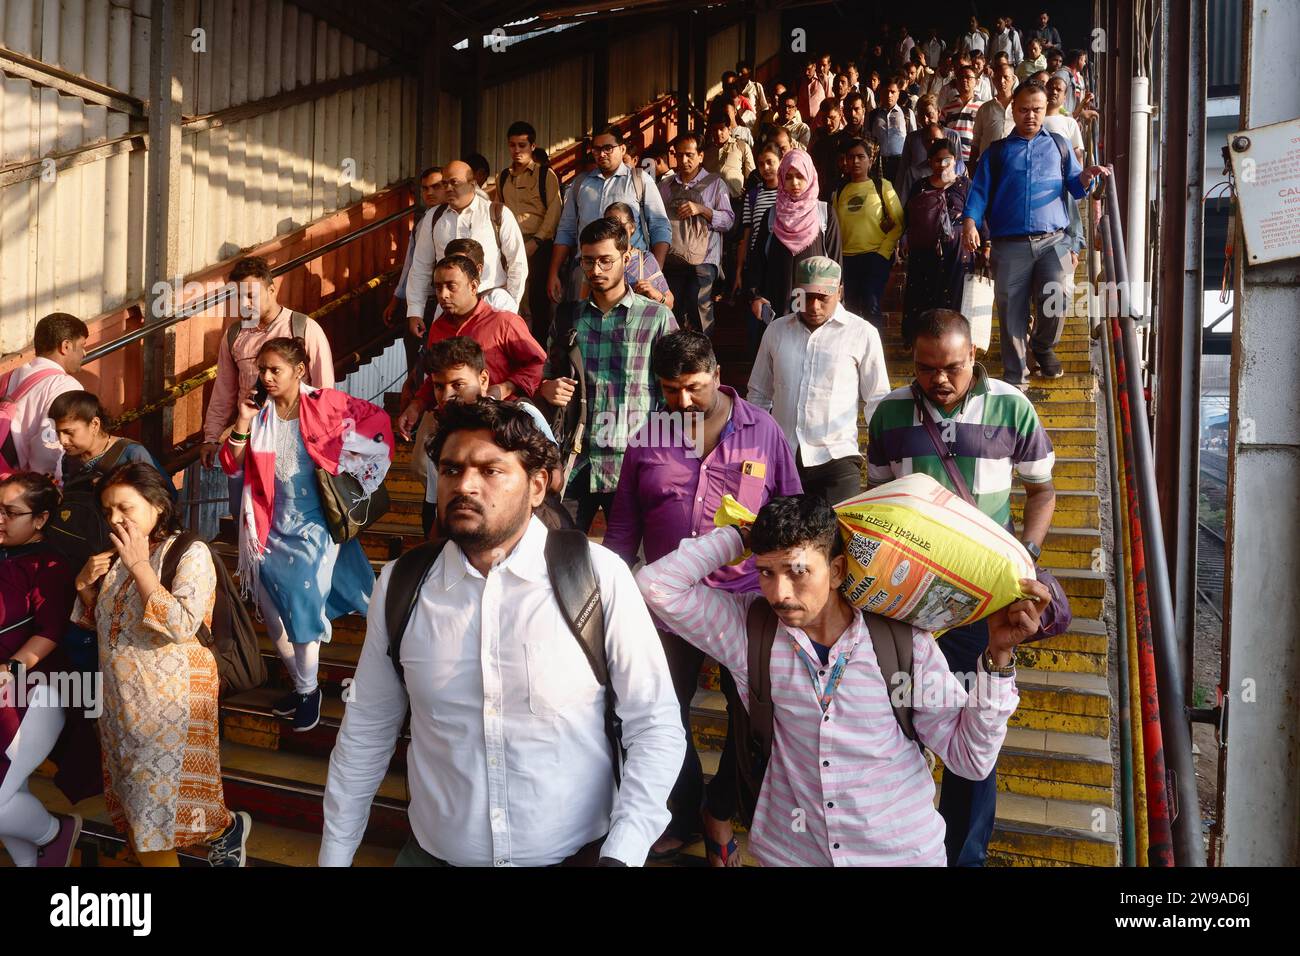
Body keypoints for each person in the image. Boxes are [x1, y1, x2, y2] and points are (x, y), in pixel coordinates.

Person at [320, 399, 684, 867]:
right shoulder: (402, 585)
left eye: (490, 471)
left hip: (578, 855)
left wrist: (623, 852)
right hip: (435, 855)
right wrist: (334, 855)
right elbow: (367, 729)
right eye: (452, 469)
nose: (465, 485)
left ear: (536, 487)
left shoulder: (597, 577)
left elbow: (655, 725)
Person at [635, 493, 1051, 866]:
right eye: (765, 572)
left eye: (797, 572)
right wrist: (740, 535)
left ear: (836, 570)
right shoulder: (748, 632)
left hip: (900, 855)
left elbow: (970, 759)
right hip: (791, 852)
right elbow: (656, 587)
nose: (779, 592)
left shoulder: (902, 643)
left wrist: (998, 656)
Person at [867, 308, 1057, 865]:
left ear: (974, 354)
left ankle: (964, 855)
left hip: (982, 607)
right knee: (900, 720)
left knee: (976, 727)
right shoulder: (889, 414)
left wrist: (1028, 556)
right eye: (926, 369)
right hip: (905, 605)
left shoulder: (1012, 408)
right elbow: (880, 498)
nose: (939, 380)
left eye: (951, 367)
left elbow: (1042, 492)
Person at [603, 331, 800, 866]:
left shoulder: (765, 432)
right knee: (654, 714)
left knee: (754, 722)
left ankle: (719, 810)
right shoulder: (650, 437)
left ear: (716, 371)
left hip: (748, 603)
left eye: (693, 386)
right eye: (670, 390)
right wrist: (610, 595)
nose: (683, 401)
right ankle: (682, 812)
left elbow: (794, 514)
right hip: (667, 606)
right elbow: (623, 524)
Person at [73, 463, 252, 866]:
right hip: (121, 704)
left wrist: (139, 567)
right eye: (108, 512)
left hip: (170, 703)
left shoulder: (191, 552)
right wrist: (85, 589)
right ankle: (228, 829)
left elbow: (180, 624)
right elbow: (106, 625)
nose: (115, 520)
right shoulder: (115, 559)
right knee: (141, 807)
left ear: (156, 505)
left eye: (125, 508)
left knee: (152, 814)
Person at [220, 337, 392, 733]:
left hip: (315, 522)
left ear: (299, 371)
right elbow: (231, 463)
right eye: (261, 369)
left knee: (303, 601)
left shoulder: (326, 404)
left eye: (273, 370)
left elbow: (377, 426)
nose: (265, 377)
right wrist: (243, 421)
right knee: (272, 609)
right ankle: (302, 688)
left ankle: (310, 690)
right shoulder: (258, 413)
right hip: (265, 524)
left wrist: (345, 465)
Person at [962, 81, 1108, 387]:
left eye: (1037, 109)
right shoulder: (997, 152)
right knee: (1011, 311)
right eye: (1024, 109)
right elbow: (978, 193)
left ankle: (1043, 347)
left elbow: (1075, 189)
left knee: (1059, 296)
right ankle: (1016, 377)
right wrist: (970, 223)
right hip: (1009, 245)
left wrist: (1086, 177)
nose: (1031, 115)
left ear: (1045, 110)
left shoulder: (1059, 145)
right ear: (1013, 110)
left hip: (1055, 241)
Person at [538, 218, 677, 533]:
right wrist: (546, 388)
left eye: (605, 260)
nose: (596, 270)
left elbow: (677, 397)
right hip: (575, 460)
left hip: (634, 463)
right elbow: (546, 375)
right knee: (559, 555)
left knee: (630, 566)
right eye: (588, 261)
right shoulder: (566, 317)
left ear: (626, 259)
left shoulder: (657, 318)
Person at [0, 472, 99, 867]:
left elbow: (52, 630)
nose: (0, 520)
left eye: (10, 512)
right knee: (11, 792)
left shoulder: (51, 564)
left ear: (40, 520)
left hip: (38, 689)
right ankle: (41, 857)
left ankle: (54, 833)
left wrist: (10, 668)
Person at [748, 257, 889, 507]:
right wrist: (753, 446)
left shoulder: (862, 333)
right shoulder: (777, 331)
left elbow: (877, 399)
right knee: (781, 543)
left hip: (837, 460)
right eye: (806, 296)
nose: (813, 306)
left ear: (840, 292)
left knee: (834, 542)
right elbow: (759, 394)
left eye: (823, 297)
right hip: (782, 458)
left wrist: (885, 455)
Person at [416, 336, 565, 538]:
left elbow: (555, 480)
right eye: (439, 386)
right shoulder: (441, 436)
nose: (446, 396)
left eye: (458, 385)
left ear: (483, 379)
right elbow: (439, 510)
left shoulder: (522, 416)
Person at [200, 257, 334, 473]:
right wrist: (212, 437)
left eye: (251, 296)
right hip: (248, 444)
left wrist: (324, 444)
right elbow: (223, 392)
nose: (245, 304)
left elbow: (325, 391)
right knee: (245, 506)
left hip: (296, 444)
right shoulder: (234, 336)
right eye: (239, 297)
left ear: (271, 290)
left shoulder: (304, 328)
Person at [396, 254, 547, 441]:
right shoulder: (437, 327)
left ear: (474, 286)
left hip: (501, 425)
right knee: (421, 469)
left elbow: (539, 364)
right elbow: (436, 376)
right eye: (438, 287)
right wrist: (416, 405)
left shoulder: (504, 322)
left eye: (451, 286)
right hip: (451, 425)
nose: (443, 295)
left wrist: (504, 388)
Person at [405, 160, 529, 342]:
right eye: (445, 183)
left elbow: (517, 263)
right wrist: (415, 309)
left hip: (491, 304)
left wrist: (510, 304)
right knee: (445, 364)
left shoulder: (497, 214)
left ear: (472, 184)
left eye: (454, 182)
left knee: (491, 363)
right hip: (448, 311)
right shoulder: (433, 218)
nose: (448, 188)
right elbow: (420, 267)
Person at [549, 126, 671, 306]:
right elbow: (566, 230)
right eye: (596, 149)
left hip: (629, 272)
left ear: (622, 149)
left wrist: (654, 271)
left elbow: (660, 226)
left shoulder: (640, 180)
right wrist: (553, 272)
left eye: (608, 148)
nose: (601, 153)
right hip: (586, 271)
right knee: (584, 325)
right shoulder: (580, 184)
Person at [744, 150, 842, 326]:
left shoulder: (825, 213)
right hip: (777, 306)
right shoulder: (772, 215)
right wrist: (755, 296)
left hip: (815, 306)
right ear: (781, 178)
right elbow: (757, 260)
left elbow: (835, 261)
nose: (794, 183)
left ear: (810, 176)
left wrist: (835, 300)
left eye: (800, 176)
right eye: (788, 177)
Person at [659, 133, 734, 336]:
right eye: (680, 155)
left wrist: (702, 210)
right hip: (673, 259)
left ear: (701, 156)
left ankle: (704, 358)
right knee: (671, 311)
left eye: (690, 155)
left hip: (704, 259)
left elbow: (728, 221)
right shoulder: (665, 186)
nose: (684, 161)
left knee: (699, 307)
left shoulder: (716, 184)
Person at [901, 140, 976, 346]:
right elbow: (910, 216)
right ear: (930, 162)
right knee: (924, 297)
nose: (942, 164)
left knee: (954, 298)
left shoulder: (965, 185)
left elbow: (977, 215)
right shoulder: (920, 185)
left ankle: (953, 344)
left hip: (957, 251)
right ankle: (923, 343)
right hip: (925, 251)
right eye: (937, 160)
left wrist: (986, 245)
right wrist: (905, 237)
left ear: (955, 160)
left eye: (947, 160)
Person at [0, 313, 88, 480]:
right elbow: (49, 445)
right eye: (82, 345)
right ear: (66, 346)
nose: (84, 352)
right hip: (25, 486)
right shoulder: (65, 385)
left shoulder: (9, 376)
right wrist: (45, 486)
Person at [499, 121, 563, 342]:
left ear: (532, 146)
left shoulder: (545, 175)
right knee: (515, 301)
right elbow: (499, 213)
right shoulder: (503, 178)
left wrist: (536, 241)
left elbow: (554, 211)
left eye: (522, 145)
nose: (517, 150)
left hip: (540, 246)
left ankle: (540, 358)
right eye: (513, 145)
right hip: (511, 247)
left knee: (538, 305)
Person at [834, 138, 904, 332]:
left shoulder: (882, 186)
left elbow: (899, 223)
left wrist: (884, 252)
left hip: (875, 256)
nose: (855, 161)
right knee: (850, 311)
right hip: (847, 260)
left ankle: (874, 358)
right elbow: (833, 229)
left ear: (870, 160)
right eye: (851, 157)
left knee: (871, 305)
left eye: (860, 157)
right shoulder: (839, 191)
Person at [384, 167, 444, 391]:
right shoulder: (421, 222)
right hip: (418, 302)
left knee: (438, 360)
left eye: (436, 187)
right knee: (415, 361)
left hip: (444, 301)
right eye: (425, 188)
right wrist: (397, 298)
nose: (429, 193)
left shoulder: (453, 221)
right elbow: (411, 265)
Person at [49, 391, 167, 488]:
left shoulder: (133, 454)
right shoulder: (69, 460)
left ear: (94, 424)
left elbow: (163, 498)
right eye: (58, 433)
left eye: (69, 432)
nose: (62, 440)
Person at [867, 78, 917, 182]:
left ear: (898, 93)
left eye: (893, 92)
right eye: (886, 92)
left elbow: (913, 140)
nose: (889, 95)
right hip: (878, 164)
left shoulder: (907, 114)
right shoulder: (872, 115)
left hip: (901, 163)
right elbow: (867, 140)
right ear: (880, 93)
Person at [970, 62, 1018, 164]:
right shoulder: (984, 108)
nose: (1002, 81)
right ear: (993, 80)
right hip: (988, 164)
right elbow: (976, 141)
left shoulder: (1021, 107)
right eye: (998, 77)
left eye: (1006, 77)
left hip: (1013, 163)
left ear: (1013, 79)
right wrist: (972, 166)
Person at [704, 116, 756, 202]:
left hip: (735, 201)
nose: (718, 133)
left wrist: (747, 193)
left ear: (729, 129)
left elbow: (751, 176)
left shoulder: (741, 147)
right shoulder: (706, 152)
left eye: (721, 129)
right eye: (714, 130)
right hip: (710, 202)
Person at [943, 65, 986, 164]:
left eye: (968, 77)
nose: (964, 80)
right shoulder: (947, 107)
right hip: (951, 159)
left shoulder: (983, 107)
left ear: (976, 82)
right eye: (961, 77)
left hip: (973, 158)